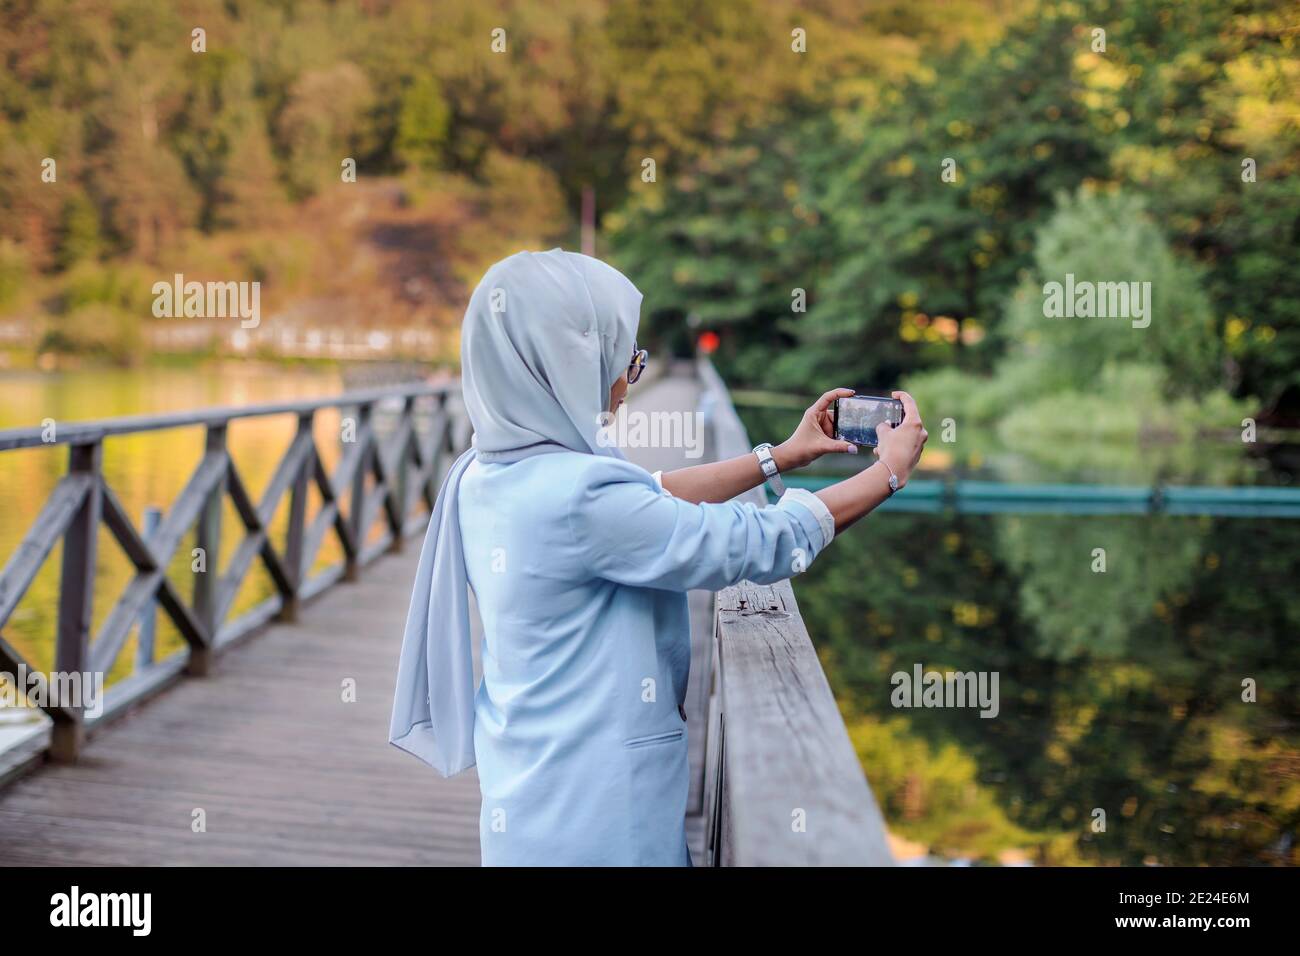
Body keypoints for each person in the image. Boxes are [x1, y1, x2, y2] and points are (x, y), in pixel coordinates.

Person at [389, 249, 927, 865]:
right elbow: (758, 543)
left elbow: (651, 498)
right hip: (599, 818)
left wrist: (780, 457)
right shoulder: (577, 496)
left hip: (532, 798)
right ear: (571, 364)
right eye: (627, 362)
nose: (626, 382)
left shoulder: (489, 470)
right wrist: (886, 473)